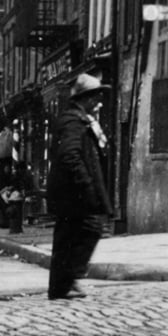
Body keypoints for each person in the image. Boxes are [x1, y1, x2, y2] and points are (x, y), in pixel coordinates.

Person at [45, 73, 112, 301]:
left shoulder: (78, 119)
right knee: (89, 229)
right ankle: (67, 281)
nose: (99, 101)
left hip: (72, 193)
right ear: (87, 98)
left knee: (69, 237)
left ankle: (62, 285)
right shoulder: (73, 122)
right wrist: (86, 184)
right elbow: (70, 155)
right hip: (73, 193)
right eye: (96, 96)